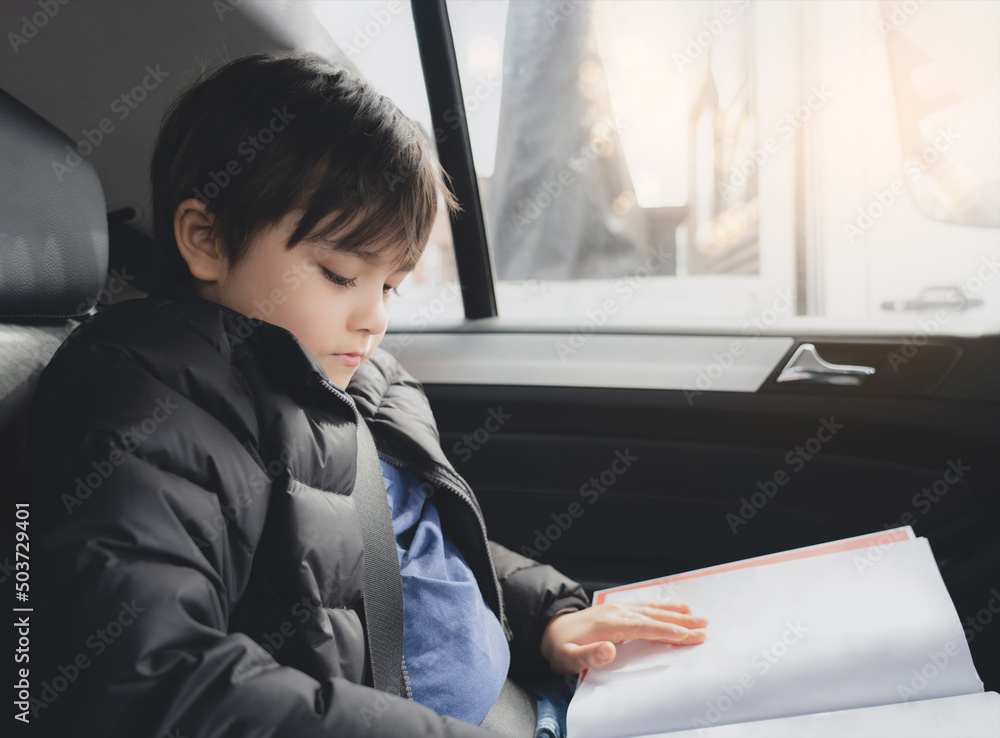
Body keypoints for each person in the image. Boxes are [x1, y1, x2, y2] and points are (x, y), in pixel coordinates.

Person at [26, 52, 707, 737]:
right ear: (206, 240)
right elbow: (146, 675)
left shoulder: (358, 381)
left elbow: (414, 540)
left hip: (531, 704)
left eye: (390, 286)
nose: (374, 318)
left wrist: (550, 616)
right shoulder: (149, 404)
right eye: (340, 274)